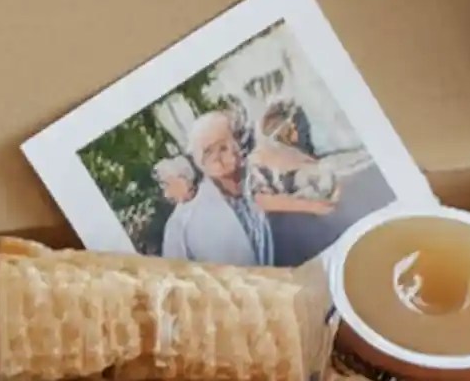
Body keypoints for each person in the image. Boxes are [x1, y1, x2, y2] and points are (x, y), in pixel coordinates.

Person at [249, 99, 394, 266]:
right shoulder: (265, 156)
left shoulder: (278, 154)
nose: (298, 133)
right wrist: (313, 206)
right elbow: (259, 200)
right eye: (294, 128)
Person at [161, 111, 273, 266]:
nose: (217, 158)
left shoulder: (263, 184)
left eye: (223, 147)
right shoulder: (182, 222)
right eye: (208, 152)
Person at [138, 156, 197, 256]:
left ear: (182, 178)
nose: (166, 194)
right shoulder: (174, 222)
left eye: (167, 185)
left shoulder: (210, 194)